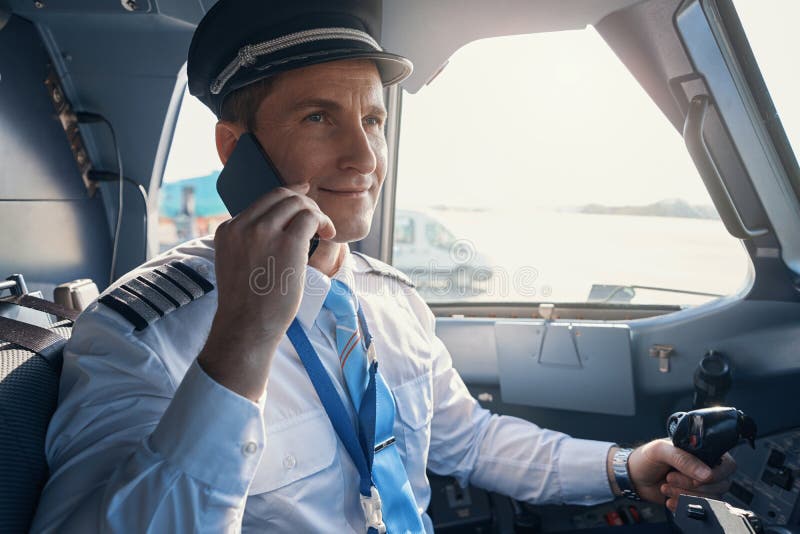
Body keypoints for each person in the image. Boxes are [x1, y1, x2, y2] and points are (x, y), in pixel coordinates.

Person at [31, 0, 735, 532]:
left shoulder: (390, 298)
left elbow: (471, 439)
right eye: (318, 118)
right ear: (233, 149)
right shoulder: (140, 332)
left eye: (372, 120)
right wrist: (241, 342)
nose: (365, 159)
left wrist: (624, 466)